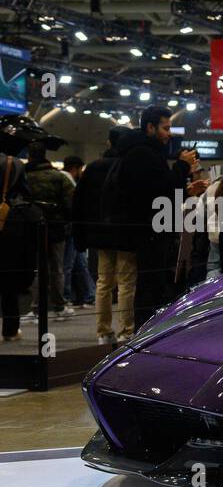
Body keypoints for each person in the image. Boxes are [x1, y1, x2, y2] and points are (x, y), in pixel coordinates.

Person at [101, 106, 206, 332]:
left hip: (149, 228)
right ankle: (144, 332)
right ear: (150, 127)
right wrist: (182, 166)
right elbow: (160, 189)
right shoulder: (142, 153)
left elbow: (158, 189)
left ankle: (146, 331)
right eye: (165, 128)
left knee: (150, 285)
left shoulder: (143, 151)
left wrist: (186, 190)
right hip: (147, 230)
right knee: (148, 286)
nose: (169, 133)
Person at [73, 128, 133, 344]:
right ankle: (127, 330)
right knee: (126, 282)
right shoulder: (129, 166)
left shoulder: (94, 167)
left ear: (108, 143)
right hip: (125, 232)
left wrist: (81, 233)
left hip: (99, 233)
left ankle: (103, 332)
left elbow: (79, 201)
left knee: (103, 282)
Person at [20, 142, 74, 323]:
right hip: (57, 228)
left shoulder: (24, 177)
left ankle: (35, 308)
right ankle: (59, 306)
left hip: (30, 227)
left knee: (37, 268)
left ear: (29, 155)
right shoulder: (58, 177)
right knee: (57, 268)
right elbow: (70, 202)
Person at [0, 152, 35, 342]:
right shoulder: (13, 162)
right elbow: (26, 194)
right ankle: (10, 330)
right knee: (8, 281)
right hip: (7, 224)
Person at [59, 155, 94, 308]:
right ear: (75, 168)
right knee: (70, 264)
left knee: (79, 263)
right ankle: (67, 296)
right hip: (70, 228)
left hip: (67, 228)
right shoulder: (67, 181)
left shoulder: (62, 178)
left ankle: (89, 293)